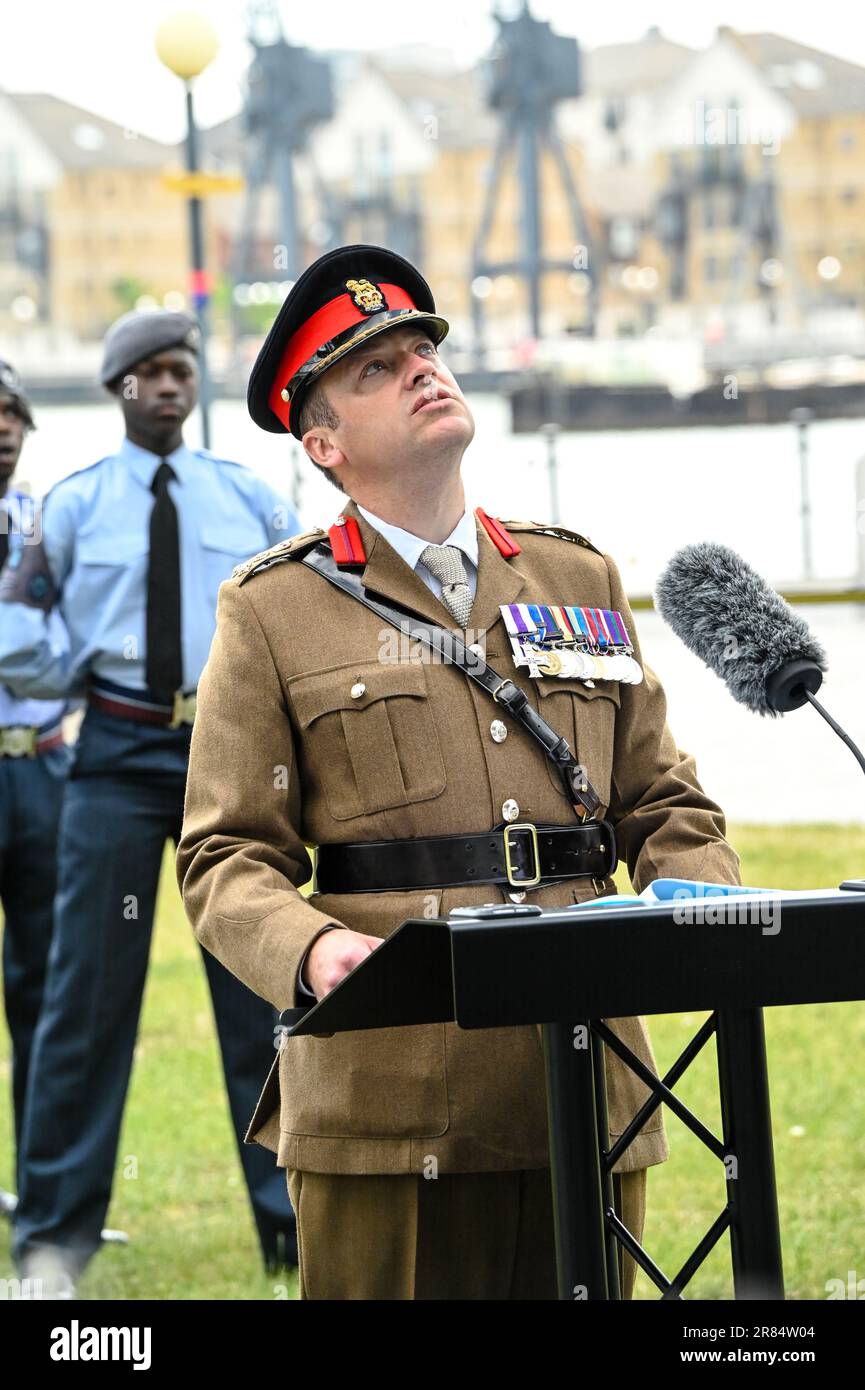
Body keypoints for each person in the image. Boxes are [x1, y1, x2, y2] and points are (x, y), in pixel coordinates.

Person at [176, 245, 743, 1300]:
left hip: (584, 1084)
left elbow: (661, 795)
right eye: (374, 369)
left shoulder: (574, 574)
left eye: (420, 349)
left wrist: (693, 887)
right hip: (389, 1095)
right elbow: (224, 854)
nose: (420, 369)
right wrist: (313, 951)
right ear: (324, 443)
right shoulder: (271, 609)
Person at [0, 311, 301, 1294]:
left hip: (228, 751)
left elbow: (302, 612)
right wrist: (72, 677)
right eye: (148, 374)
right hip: (116, 754)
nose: (168, 386)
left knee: (262, 993)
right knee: (82, 1005)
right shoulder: (69, 507)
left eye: (180, 371)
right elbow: (16, 616)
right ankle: (53, 1243)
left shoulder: (249, 497)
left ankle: (292, 1229)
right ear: (117, 389)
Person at [0, 362, 72, 1222]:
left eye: (14, 414)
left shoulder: (56, 525)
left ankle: (40, 1197)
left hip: (45, 771)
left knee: (47, 996)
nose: (5, 427)